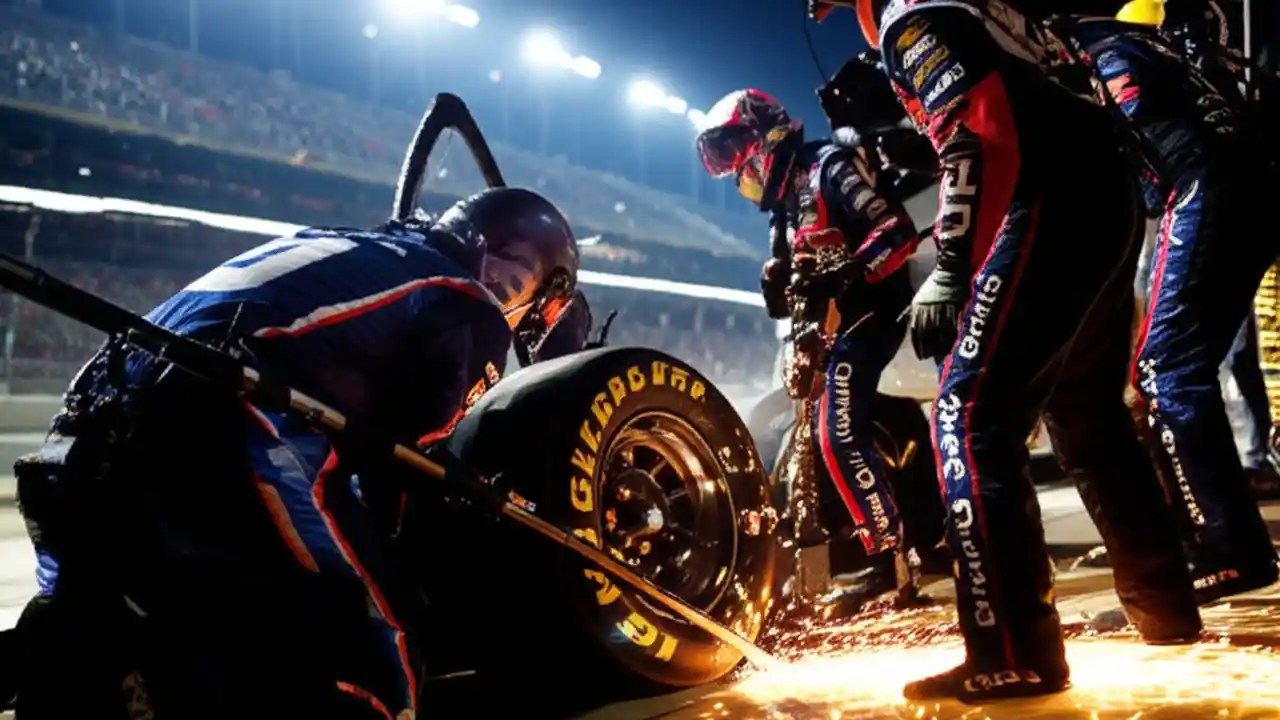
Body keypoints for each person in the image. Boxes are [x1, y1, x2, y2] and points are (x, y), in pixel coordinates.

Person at [11, 186, 588, 719]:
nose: (507, 303)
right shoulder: (465, 300)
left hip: (92, 414)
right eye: (516, 287)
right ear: (490, 254)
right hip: (239, 413)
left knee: (100, 607)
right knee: (380, 625)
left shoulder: (334, 241)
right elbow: (418, 459)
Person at [811, 0, 1204, 703]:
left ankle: (1012, 651)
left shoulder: (911, 16)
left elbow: (975, 130)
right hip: (1104, 186)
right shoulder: (986, 6)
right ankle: (1164, 606)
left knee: (966, 418)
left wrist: (953, 265)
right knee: (1088, 415)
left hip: (1051, 190)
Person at [1046, 2, 1279, 606]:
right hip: (1251, 186)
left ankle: (1231, 550)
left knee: (1164, 370)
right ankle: (1227, 540)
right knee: (1184, 368)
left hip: (1204, 186)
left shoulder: (1088, 52)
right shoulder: (1158, 47)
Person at [694, 76, 926, 598]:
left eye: (739, 155)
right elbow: (795, 287)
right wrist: (777, 286)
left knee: (836, 434)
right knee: (814, 444)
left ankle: (892, 563)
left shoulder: (829, 167)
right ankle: (856, 559)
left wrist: (846, 271)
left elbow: (897, 232)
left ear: (766, 138)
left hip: (869, 313)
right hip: (826, 332)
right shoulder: (783, 208)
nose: (739, 172)